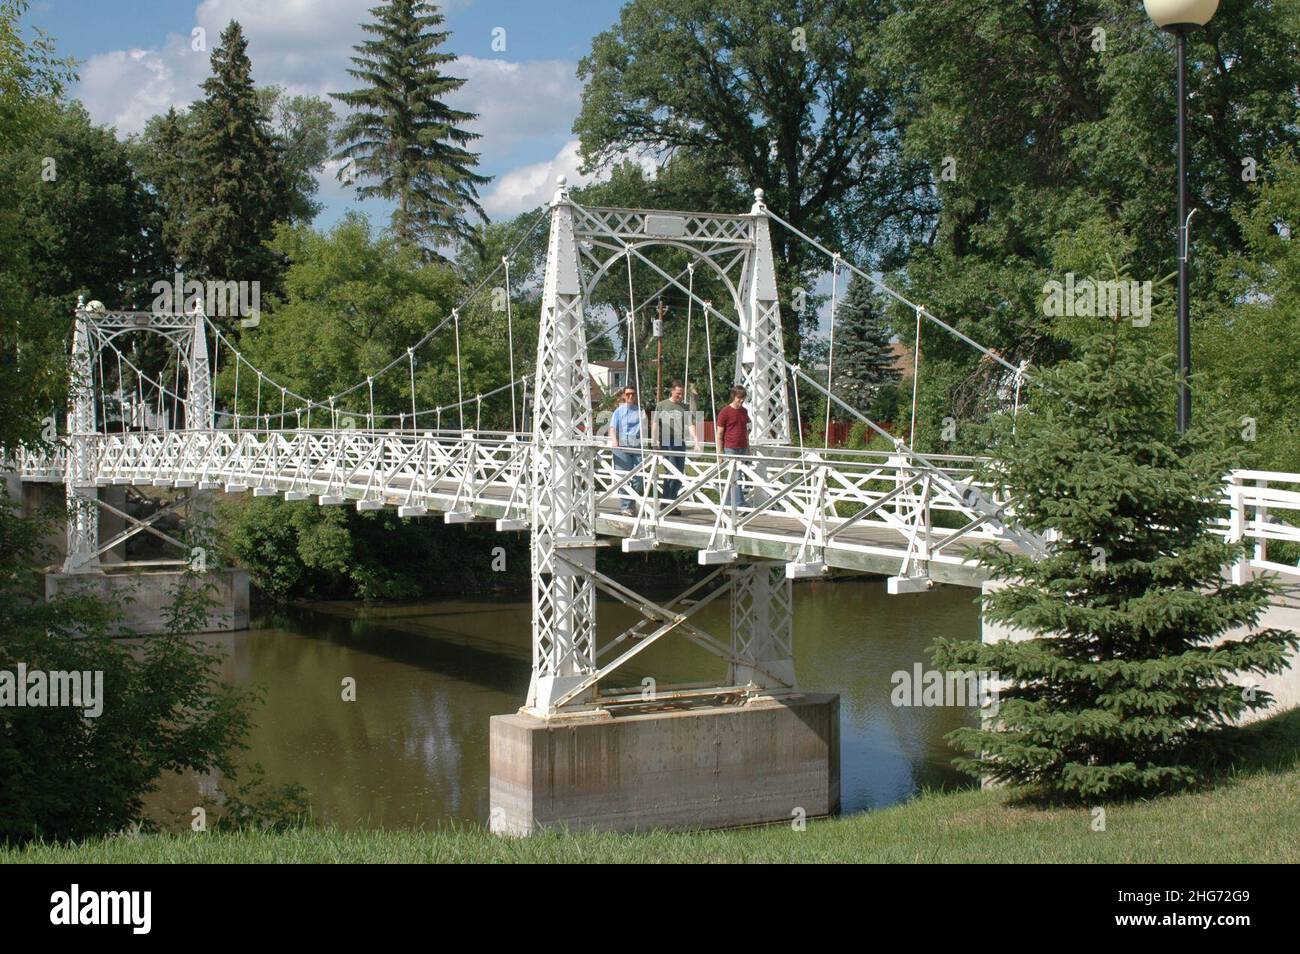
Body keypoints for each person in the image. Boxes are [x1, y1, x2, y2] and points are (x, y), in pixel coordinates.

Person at [652, 379, 696, 501]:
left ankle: (672, 502)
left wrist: (696, 440)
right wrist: (654, 442)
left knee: (679, 474)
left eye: (682, 394)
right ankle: (666, 502)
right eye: (678, 394)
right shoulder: (662, 405)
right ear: (672, 391)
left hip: (680, 442)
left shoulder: (685, 407)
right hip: (666, 441)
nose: (680, 397)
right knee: (671, 472)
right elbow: (655, 424)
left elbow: (690, 425)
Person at [609, 386, 646, 515]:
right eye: (628, 394)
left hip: (636, 446)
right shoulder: (619, 411)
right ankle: (626, 507)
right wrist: (615, 441)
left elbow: (644, 429)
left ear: (636, 396)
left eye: (633, 394)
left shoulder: (640, 411)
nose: (630, 396)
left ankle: (631, 503)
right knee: (623, 477)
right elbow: (612, 428)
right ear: (624, 395)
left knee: (639, 479)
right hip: (622, 446)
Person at [715, 385, 751, 508]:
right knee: (735, 476)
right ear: (734, 396)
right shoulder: (725, 412)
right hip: (730, 447)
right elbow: (719, 434)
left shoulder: (744, 411)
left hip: (742, 447)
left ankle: (727, 503)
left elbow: (745, 431)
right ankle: (740, 504)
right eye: (739, 398)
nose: (741, 400)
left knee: (737, 476)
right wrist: (720, 453)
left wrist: (748, 449)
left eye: (743, 398)